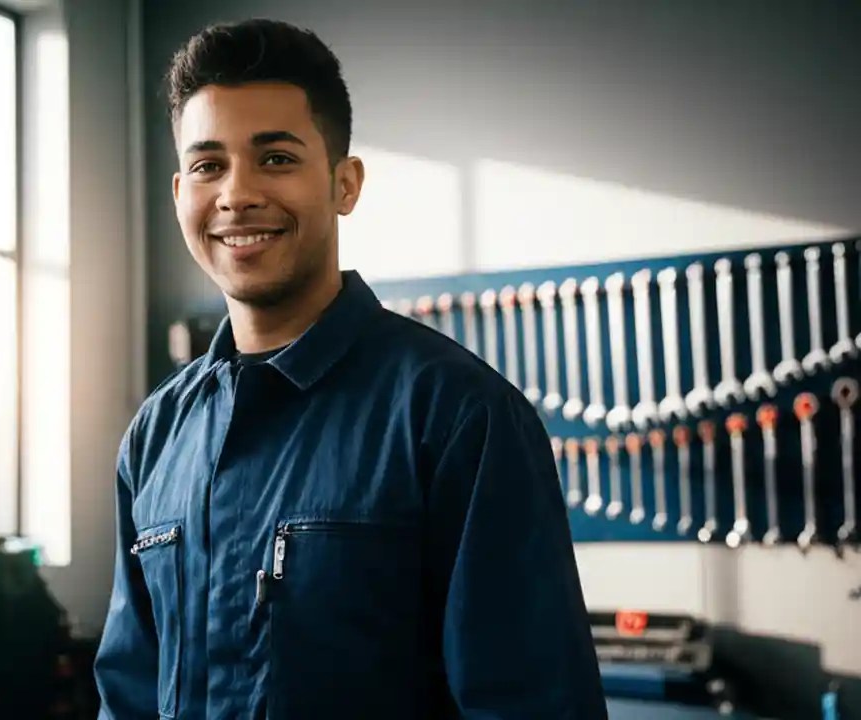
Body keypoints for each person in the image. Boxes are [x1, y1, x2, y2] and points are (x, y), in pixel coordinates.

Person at [94, 17, 607, 719]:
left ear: (344, 183)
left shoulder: (457, 417)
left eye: (275, 158)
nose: (237, 193)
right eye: (210, 165)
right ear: (181, 190)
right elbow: (127, 698)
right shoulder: (154, 440)